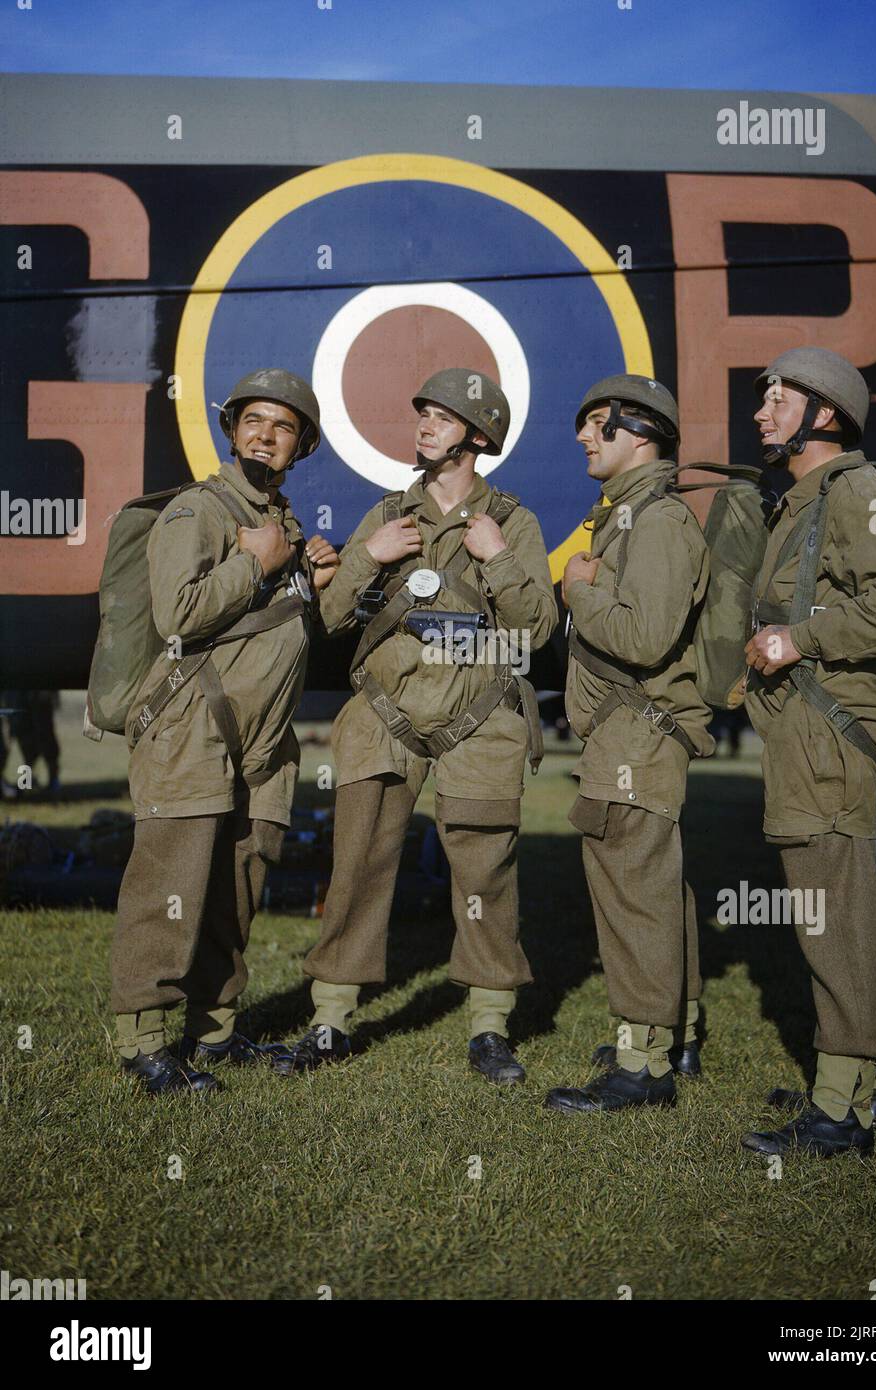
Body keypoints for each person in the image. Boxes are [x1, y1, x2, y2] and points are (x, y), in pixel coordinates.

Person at [281, 368, 558, 1084]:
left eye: (441, 417)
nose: (424, 426)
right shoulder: (386, 515)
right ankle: (331, 1018)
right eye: (423, 414)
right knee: (358, 864)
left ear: (476, 435)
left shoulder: (513, 521)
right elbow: (336, 618)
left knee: (483, 869)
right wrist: (368, 559)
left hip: (479, 716)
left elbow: (534, 630)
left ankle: (490, 1026)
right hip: (384, 713)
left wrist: (495, 557)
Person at [110, 369, 339, 1095]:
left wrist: (309, 576)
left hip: (264, 742)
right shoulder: (197, 511)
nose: (264, 435)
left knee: (240, 881)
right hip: (190, 726)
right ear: (232, 430)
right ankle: (143, 1041)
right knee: (170, 885)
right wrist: (255, 562)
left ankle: (212, 1031)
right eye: (253, 421)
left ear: (301, 445)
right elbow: (178, 614)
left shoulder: (283, 522)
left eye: (283, 426)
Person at [741, 348, 876, 1158]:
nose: (760, 412)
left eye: (777, 398)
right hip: (811, 731)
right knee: (832, 909)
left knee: (831, 914)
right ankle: (855, 1088)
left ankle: (836, 1113)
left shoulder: (853, 491)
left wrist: (800, 637)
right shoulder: (806, 499)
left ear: (825, 413)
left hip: (831, 730)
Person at [543, 375, 714, 1115]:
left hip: (638, 733)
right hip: (630, 729)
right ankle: (672, 1033)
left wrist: (578, 589)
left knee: (633, 895)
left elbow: (643, 637)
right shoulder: (627, 516)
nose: (583, 437)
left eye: (597, 425)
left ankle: (642, 1065)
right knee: (653, 890)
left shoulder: (657, 521)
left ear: (638, 431)